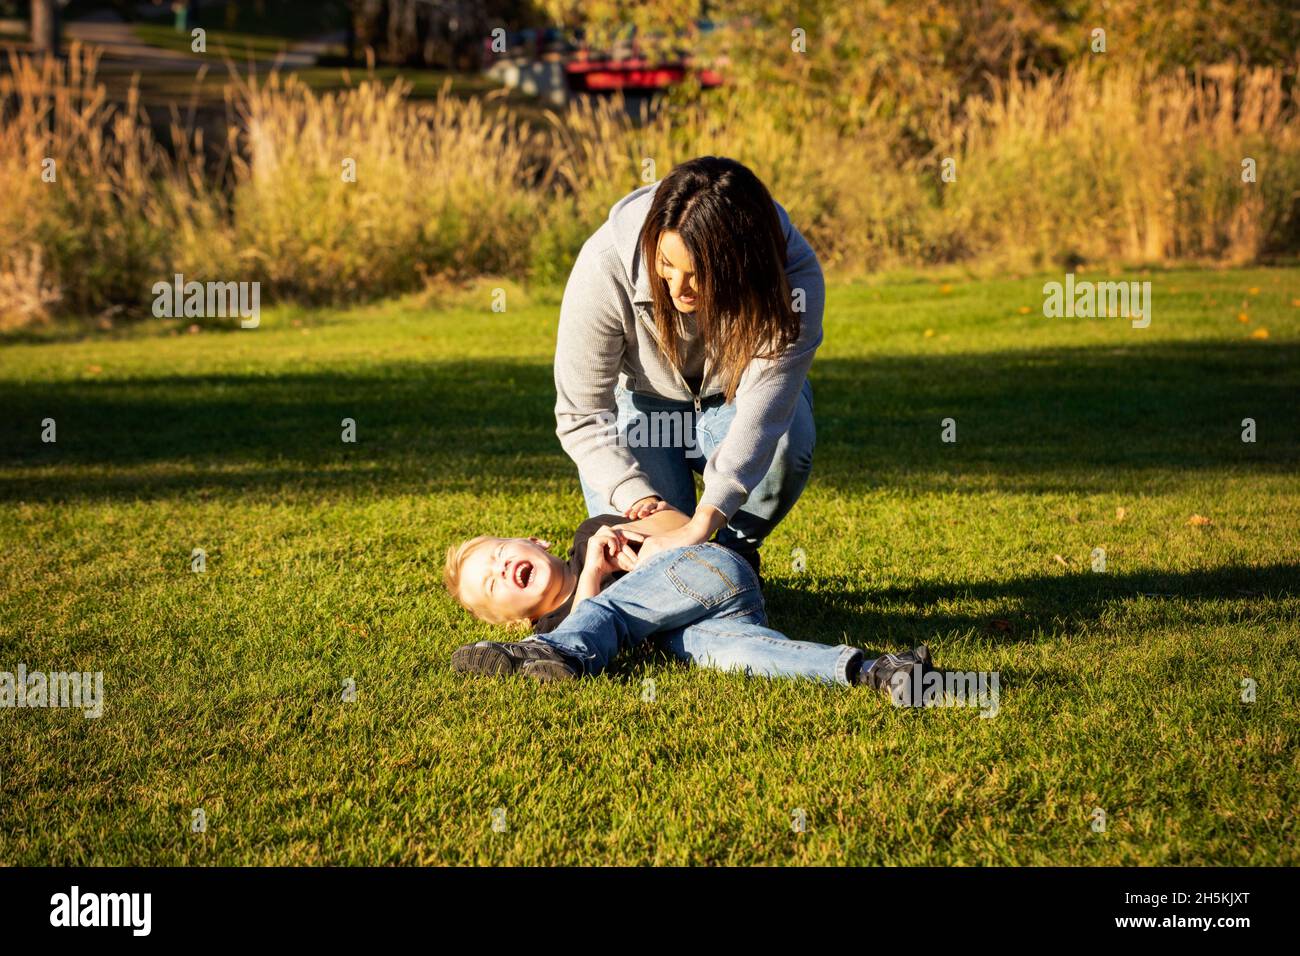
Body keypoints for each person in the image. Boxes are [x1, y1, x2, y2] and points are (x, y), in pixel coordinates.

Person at [553, 156, 820, 575]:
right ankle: (711, 569)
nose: (678, 288)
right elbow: (581, 416)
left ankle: (735, 554)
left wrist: (703, 524)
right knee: (649, 563)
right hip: (642, 411)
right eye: (665, 265)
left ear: (743, 264)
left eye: (699, 273)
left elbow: (763, 413)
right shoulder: (604, 264)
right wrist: (636, 498)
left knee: (788, 438)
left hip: (735, 401)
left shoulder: (792, 276)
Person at [443, 503, 933, 693]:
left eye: (502, 554)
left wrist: (641, 537)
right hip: (708, 626)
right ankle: (878, 671)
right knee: (731, 653)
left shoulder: (592, 532)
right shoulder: (546, 631)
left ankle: (568, 656)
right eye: (492, 583)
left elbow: (683, 533)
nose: (503, 568)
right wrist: (593, 572)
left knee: (613, 614)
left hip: (709, 572)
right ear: (510, 625)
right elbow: (592, 620)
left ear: (536, 543)